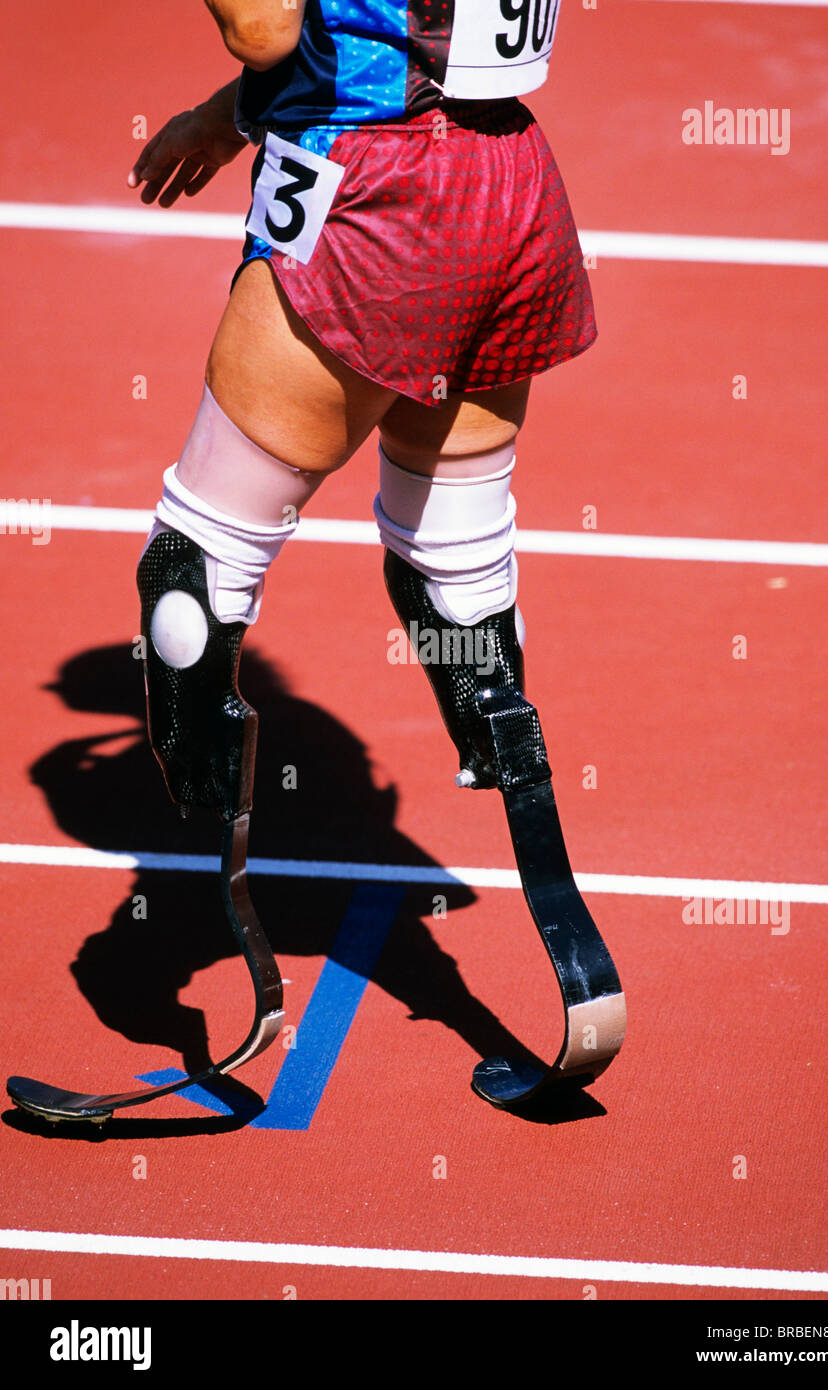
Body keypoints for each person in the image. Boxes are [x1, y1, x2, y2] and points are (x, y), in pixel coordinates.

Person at [127, 1, 624, 1110]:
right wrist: (231, 118)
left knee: (197, 565)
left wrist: (244, 87)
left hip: (372, 192)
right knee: (454, 542)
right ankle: (570, 948)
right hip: (506, 180)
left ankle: (181, 948)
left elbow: (265, 27)